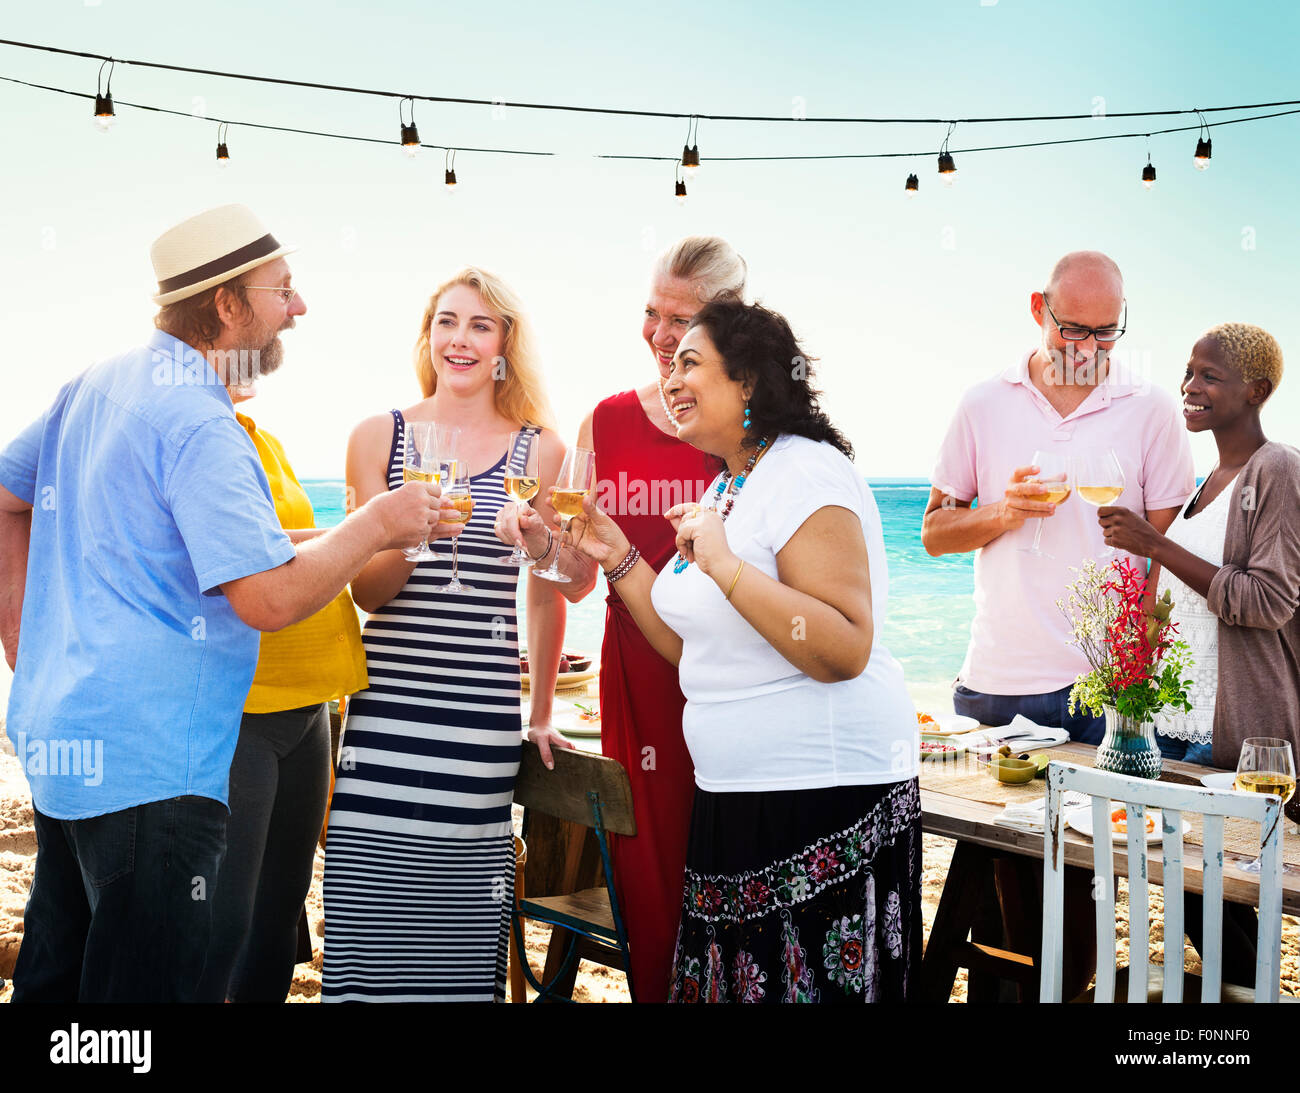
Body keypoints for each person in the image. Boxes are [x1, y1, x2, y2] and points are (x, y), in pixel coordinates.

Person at [0, 204, 439, 1003]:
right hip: (156, 771)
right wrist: (379, 521)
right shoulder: (200, 422)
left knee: (55, 982)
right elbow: (268, 597)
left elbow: (6, 497)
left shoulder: (97, 380)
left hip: (69, 741)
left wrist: (25, 642)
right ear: (228, 304)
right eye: (283, 290)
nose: (298, 308)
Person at [566, 300, 922, 1004]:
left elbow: (845, 644)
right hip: (735, 802)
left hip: (818, 800)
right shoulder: (731, 482)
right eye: (669, 367)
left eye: (690, 362)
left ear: (750, 381)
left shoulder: (807, 472)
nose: (670, 378)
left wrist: (727, 566)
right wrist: (616, 553)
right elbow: (689, 646)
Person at [494, 236, 746, 1003]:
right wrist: (540, 543)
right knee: (655, 889)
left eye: (683, 318)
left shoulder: (750, 426)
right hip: (639, 681)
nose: (661, 334)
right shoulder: (605, 419)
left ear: (728, 322)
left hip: (736, 684)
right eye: (651, 313)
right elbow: (572, 577)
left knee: (737, 876)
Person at [322, 267, 571, 1003]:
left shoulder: (541, 452)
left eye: (480, 325)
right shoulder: (378, 436)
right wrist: (405, 529)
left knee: (458, 937)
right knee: (371, 913)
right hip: (386, 714)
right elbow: (369, 594)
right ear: (427, 336)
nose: (460, 340)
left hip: (478, 725)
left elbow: (551, 587)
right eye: (447, 322)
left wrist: (545, 709)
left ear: (504, 345)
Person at [922, 250, 1195, 744]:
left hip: (1109, 689)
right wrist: (1003, 513)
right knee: (987, 822)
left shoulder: (1152, 408)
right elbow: (935, 534)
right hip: (995, 685)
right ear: (1037, 310)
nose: (1089, 348)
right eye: (1072, 329)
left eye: (1106, 331)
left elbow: (1168, 559)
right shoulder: (981, 402)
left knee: (1116, 824)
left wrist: (1137, 670)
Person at [1097, 323, 1298, 988]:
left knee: (1229, 900)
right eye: (1188, 371)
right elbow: (1181, 601)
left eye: (1209, 376)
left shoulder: (1277, 470)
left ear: (1256, 390)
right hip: (1177, 730)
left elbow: (1269, 599)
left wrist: (1156, 545)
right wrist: (1129, 677)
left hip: (1240, 737)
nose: (1190, 386)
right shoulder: (1208, 479)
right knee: (1191, 895)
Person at [195, 382, 371, 1003]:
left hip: (309, 704)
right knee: (227, 917)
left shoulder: (262, 438)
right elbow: (249, 559)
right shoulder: (196, 438)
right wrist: (366, 530)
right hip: (243, 708)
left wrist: (355, 535)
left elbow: (286, 546)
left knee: (281, 906)